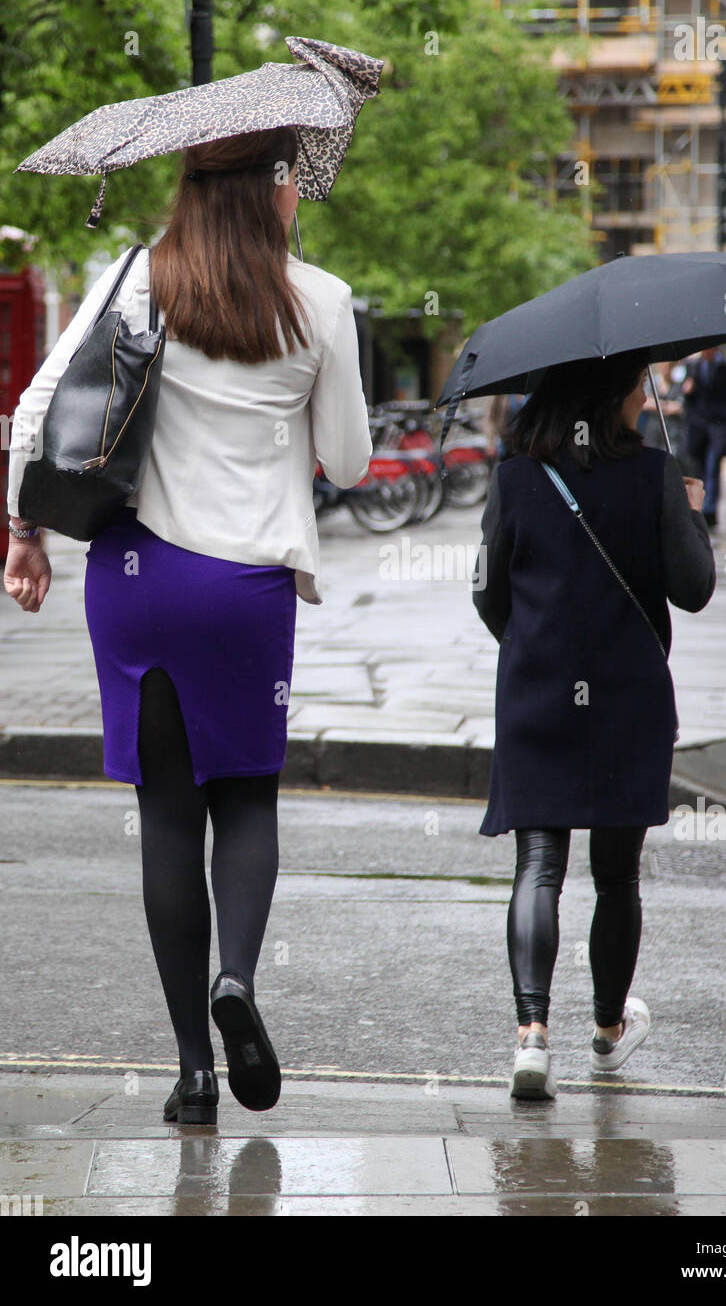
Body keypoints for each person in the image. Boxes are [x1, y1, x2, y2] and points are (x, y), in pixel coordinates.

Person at [4, 127, 372, 1124]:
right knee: (246, 801)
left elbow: (40, 410)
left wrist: (24, 532)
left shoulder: (134, 276)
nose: (299, 193)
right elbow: (347, 462)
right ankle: (238, 982)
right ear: (268, 193)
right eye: (291, 179)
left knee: (167, 815)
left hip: (134, 576)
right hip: (243, 589)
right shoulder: (323, 301)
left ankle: (190, 1074)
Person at [472, 353, 716, 1099]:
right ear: (610, 395)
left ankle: (531, 1036)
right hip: (628, 696)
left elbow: (488, 593)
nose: (646, 400)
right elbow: (695, 591)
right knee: (617, 875)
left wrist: (536, 644)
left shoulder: (515, 476)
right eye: (639, 388)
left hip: (536, 691)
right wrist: (688, 512)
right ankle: (607, 1032)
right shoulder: (650, 477)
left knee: (539, 864)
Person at [682, 346, 726, 527]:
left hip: (720, 423)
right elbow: (688, 399)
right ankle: (698, 507)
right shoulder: (693, 366)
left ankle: (709, 509)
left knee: (713, 464)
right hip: (699, 423)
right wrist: (687, 392)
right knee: (698, 466)